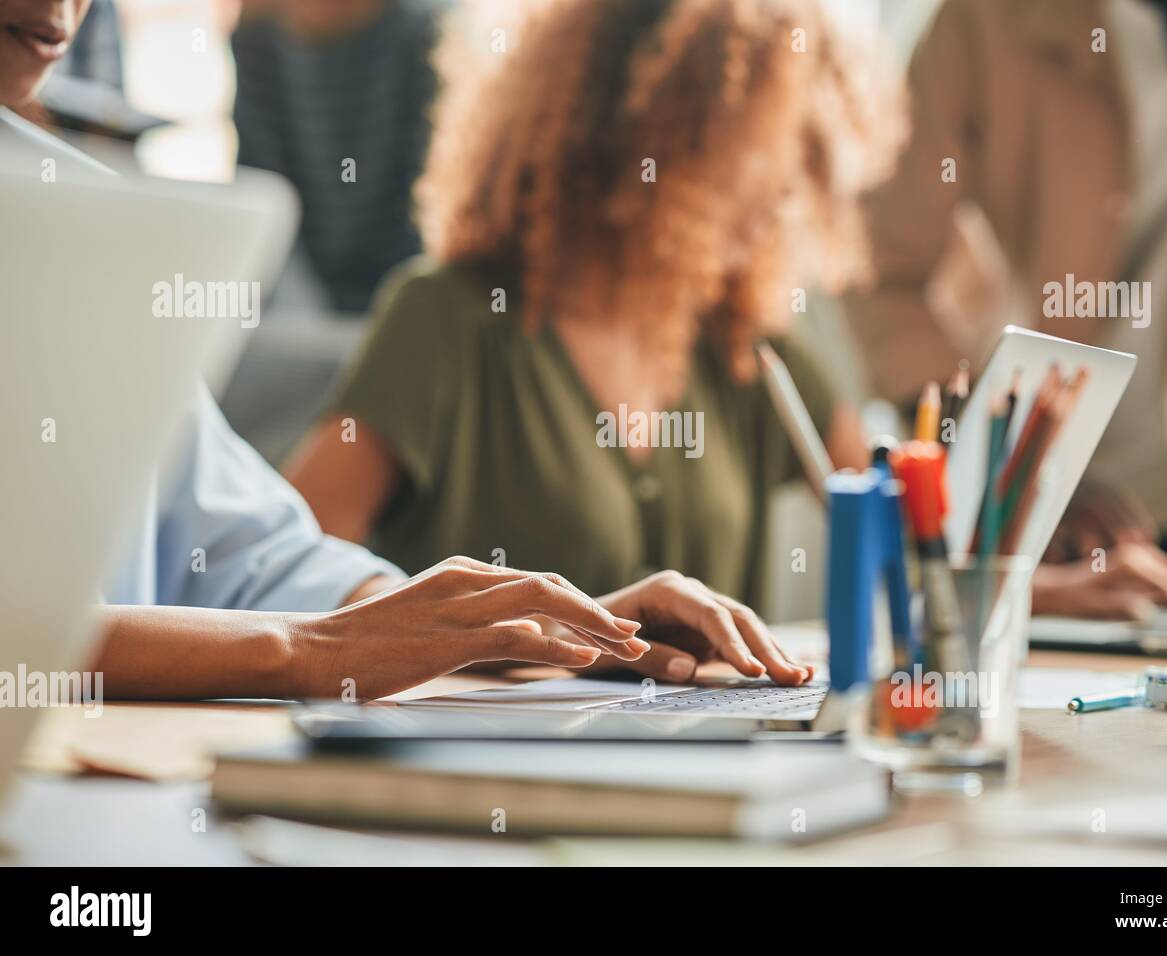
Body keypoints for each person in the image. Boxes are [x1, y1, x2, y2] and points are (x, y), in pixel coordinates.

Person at [1, 0, 812, 697]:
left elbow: (259, 558)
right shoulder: (446, 313)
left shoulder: (80, 216)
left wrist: (519, 630)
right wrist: (310, 652)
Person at [284, 0, 891, 619]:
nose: (776, 191)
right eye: (743, 154)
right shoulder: (446, 320)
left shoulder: (743, 350)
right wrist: (539, 646)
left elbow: (910, 540)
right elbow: (295, 574)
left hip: (725, 719)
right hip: (480, 721)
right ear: (633, 140)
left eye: (789, 156)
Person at [848, 0, 1167, 625]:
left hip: (1163, 521)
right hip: (1003, 520)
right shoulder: (988, 22)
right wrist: (1021, 474)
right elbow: (881, 270)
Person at [230, 0, 446, 313]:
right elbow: (260, 192)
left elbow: (428, 219)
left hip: (405, 300)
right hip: (298, 309)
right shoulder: (257, 34)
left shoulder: (427, 34)